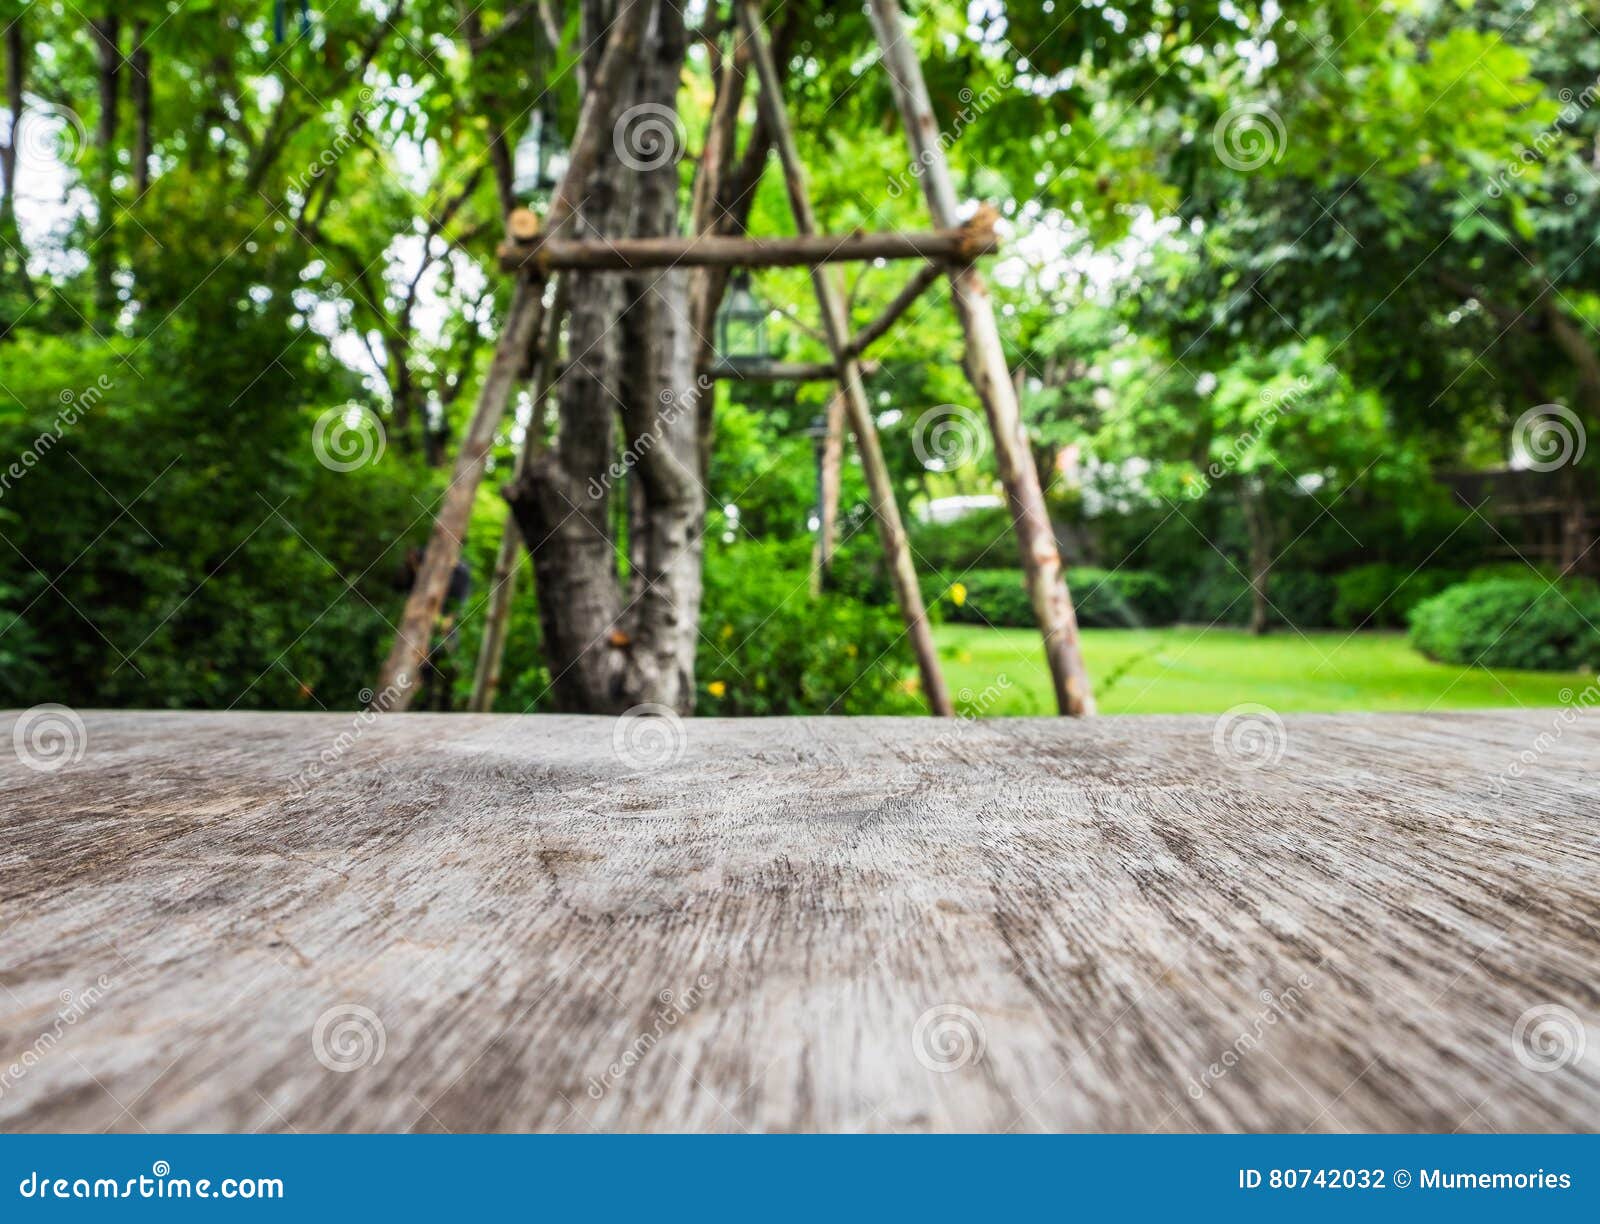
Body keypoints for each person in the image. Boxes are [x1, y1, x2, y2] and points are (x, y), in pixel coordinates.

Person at [400, 547, 473, 712]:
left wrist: (448, 620)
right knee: (426, 670)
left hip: (447, 624)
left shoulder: (460, 571)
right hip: (427, 625)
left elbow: (459, 602)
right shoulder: (428, 566)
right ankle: (424, 706)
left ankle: (445, 706)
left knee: (447, 668)